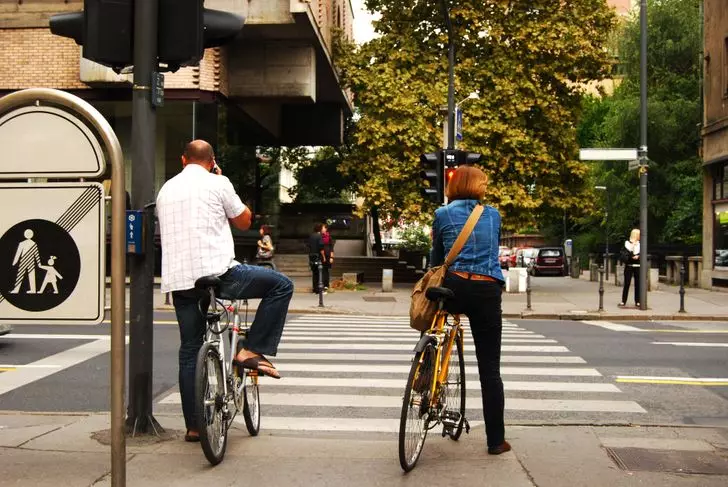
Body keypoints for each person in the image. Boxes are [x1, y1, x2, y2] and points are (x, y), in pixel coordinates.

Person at [156, 140, 294, 442]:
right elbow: (244, 221)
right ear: (211, 161)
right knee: (282, 285)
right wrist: (221, 177)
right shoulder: (218, 181)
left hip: (180, 281)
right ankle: (251, 349)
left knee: (189, 349)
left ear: (182, 160)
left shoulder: (166, 189)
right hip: (220, 274)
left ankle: (193, 427)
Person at [430, 165, 510, 456]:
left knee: (434, 324)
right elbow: (492, 252)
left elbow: (436, 258)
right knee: (490, 369)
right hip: (486, 290)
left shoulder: (442, 214)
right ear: (478, 186)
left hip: (453, 287)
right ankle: (496, 441)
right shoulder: (493, 215)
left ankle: (428, 373)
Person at [619, 228, 641, 307]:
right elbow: (624, 255)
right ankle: (623, 300)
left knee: (638, 284)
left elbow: (643, 254)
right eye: (639, 235)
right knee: (627, 284)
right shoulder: (627, 244)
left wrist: (638, 256)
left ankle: (638, 301)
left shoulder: (640, 244)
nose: (640, 236)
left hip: (638, 266)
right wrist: (632, 247)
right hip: (629, 266)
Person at [308, 223, 325, 293]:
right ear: (320, 229)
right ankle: (319, 289)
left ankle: (315, 288)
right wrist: (324, 257)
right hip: (318, 256)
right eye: (322, 228)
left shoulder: (311, 236)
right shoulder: (319, 236)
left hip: (311, 256)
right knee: (319, 272)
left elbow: (308, 245)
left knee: (314, 273)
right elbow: (321, 248)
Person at [321, 223, 335, 290]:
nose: (322, 229)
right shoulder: (319, 236)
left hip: (328, 255)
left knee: (326, 270)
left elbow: (332, 247)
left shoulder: (329, 236)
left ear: (326, 229)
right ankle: (322, 284)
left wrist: (332, 257)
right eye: (321, 228)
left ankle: (326, 285)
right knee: (322, 270)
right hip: (321, 255)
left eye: (323, 228)